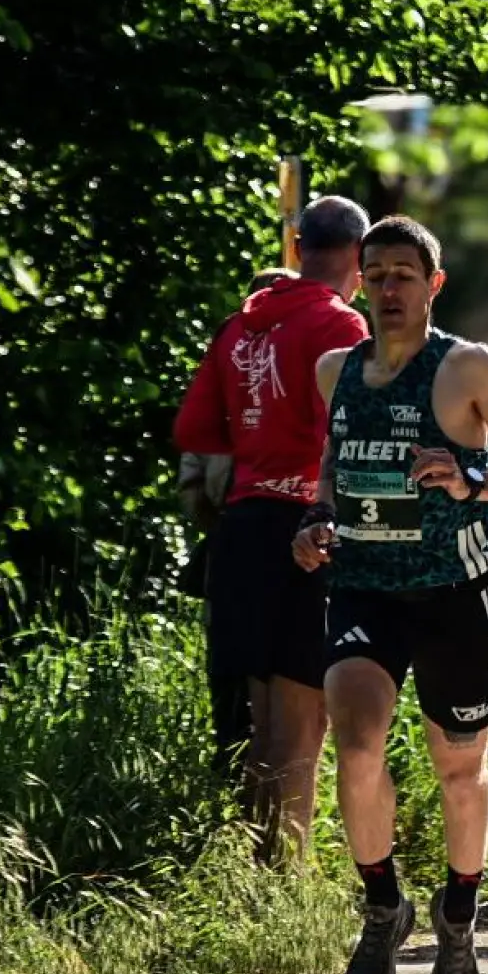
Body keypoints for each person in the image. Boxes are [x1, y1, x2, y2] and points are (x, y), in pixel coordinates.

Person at [293, 216, 488, 974]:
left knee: (459, 768)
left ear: (433, 284)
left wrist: (472, 481)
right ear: (358, 282)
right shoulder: (333, 370)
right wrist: (316, 524)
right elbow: (332, 474)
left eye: (405, 274)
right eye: (374, 274)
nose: (389, 289)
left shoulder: (467, 367)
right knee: (356, 737)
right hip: (368, 587)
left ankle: (458, 914)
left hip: (456, 595)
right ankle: (383, 906)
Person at [173, 201, 371, 862]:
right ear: (360, 259)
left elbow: (197, 430)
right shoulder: (340, 324)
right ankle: (287, 878)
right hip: (307, 529)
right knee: (302, 717)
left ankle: (250, 873)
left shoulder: (240, 326)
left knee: (254, 713)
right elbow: (352, 429)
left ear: (297, 244)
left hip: (242, 528)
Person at [176, 265, 299, 786]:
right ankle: (231, 780)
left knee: (289, 674)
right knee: (230, 675)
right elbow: (193, 483)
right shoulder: (224, 385)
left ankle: (282, 786)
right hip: (233, 542)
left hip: (293, 543)